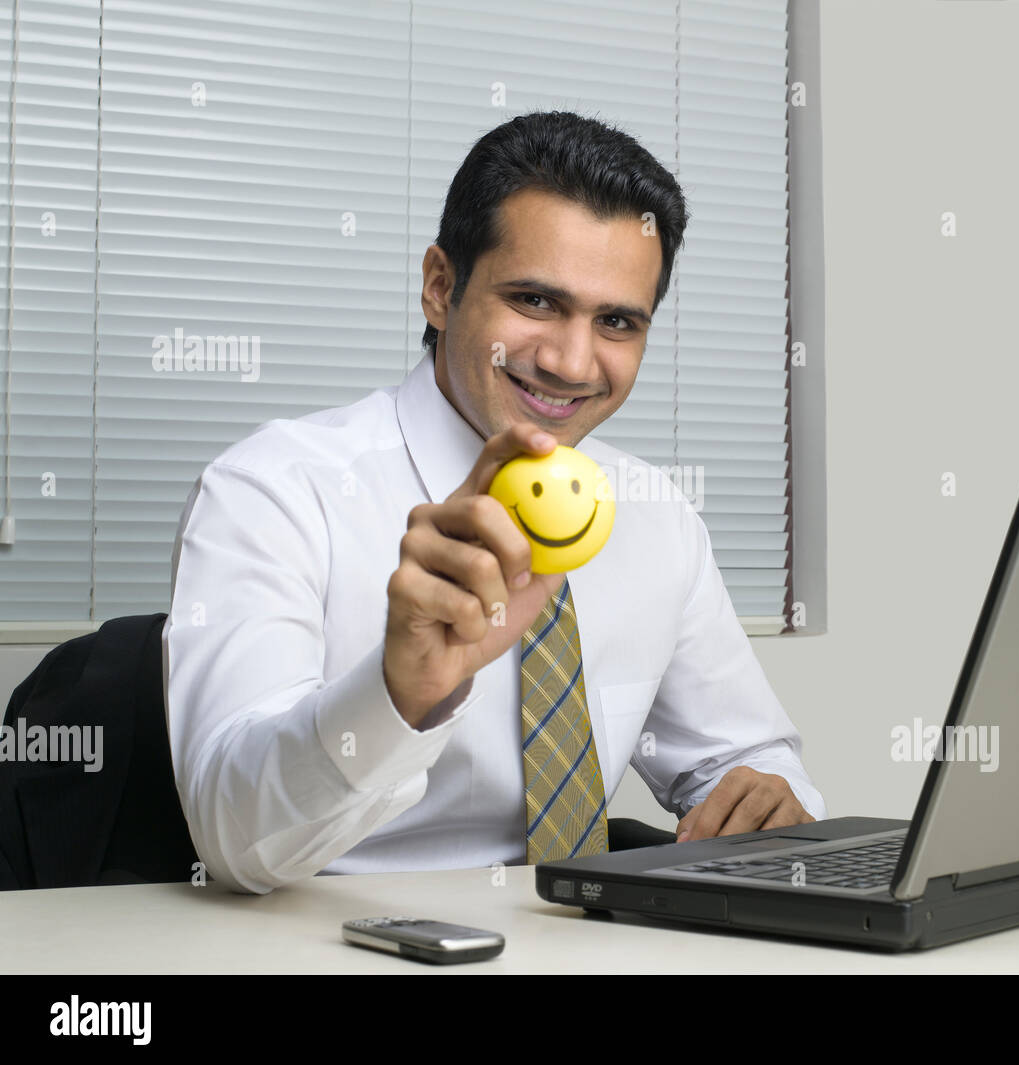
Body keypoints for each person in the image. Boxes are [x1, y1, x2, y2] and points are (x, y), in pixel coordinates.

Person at [163, 110, 826, 894]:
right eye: (537, 302)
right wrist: (395, 696)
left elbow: (743, 757)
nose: (572, 361)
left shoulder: (656, 515)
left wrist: (768, 795)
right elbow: (231, 838)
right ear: (440, 288)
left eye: (616, 321)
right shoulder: (274, 490)